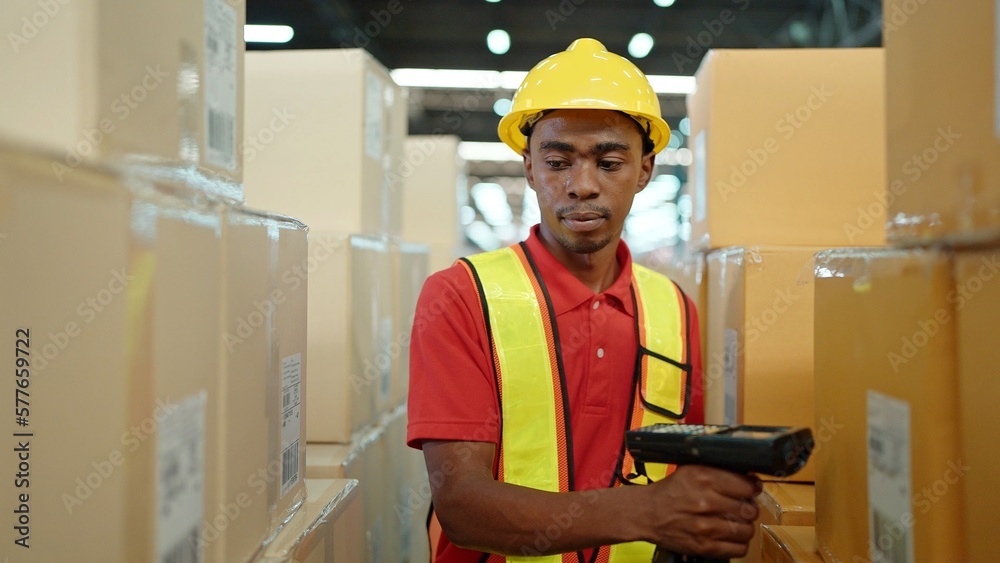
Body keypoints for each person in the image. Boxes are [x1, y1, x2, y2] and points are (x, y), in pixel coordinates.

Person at [406, 38, 759, 562]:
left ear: (644, 170)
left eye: (610, 163)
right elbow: (462, 506)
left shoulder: (675, 309)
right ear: (529, 168)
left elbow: (682, 475)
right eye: (557, 161)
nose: (582, 186)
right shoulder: (462, 297)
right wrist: (649, 512)